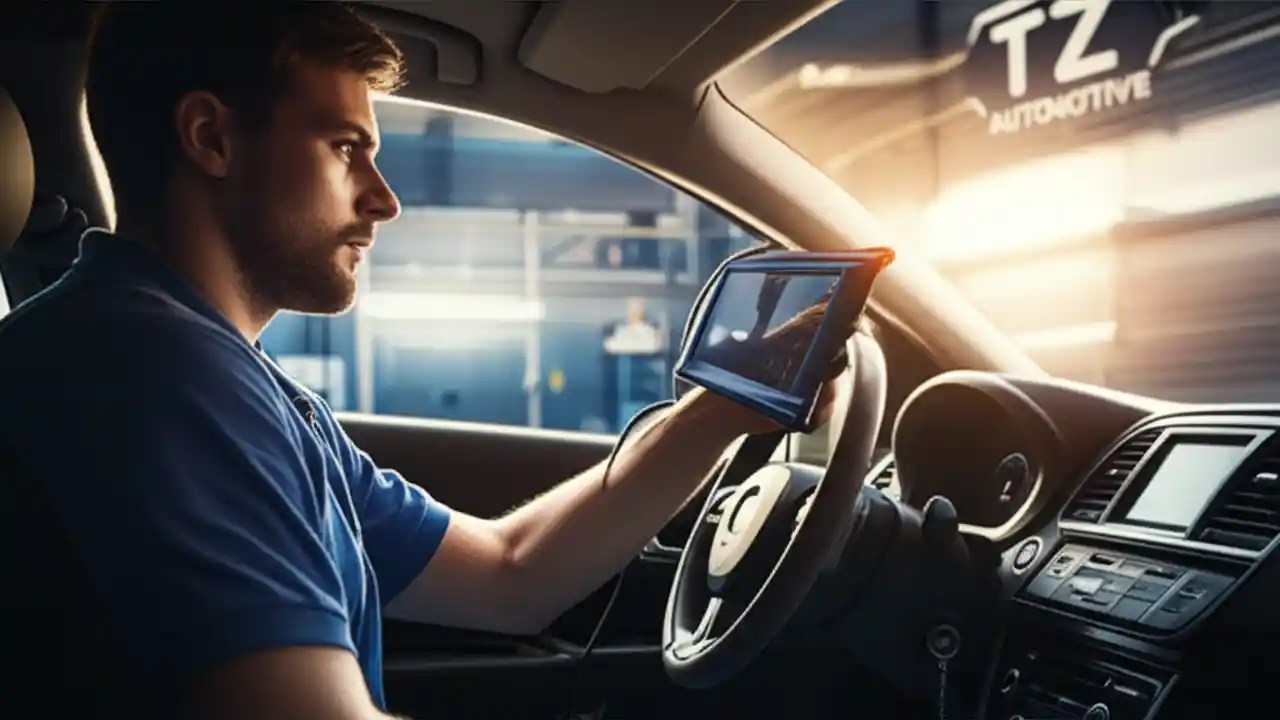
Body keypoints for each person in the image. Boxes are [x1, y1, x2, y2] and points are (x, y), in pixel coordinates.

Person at [0, 4, 843, 718]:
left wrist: (726, 408)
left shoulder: (217, 376)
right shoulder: (153, 378)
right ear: (212, 138)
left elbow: (514, 573)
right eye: (344, 148)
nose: (384, 197)